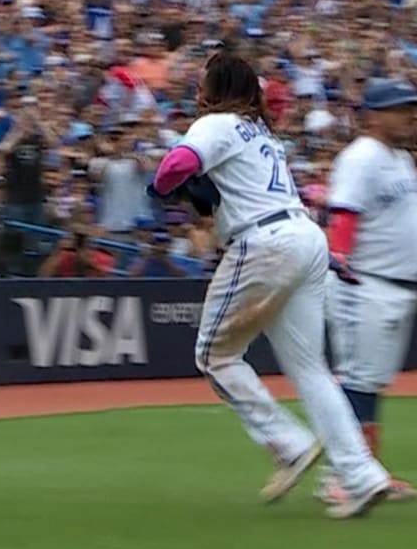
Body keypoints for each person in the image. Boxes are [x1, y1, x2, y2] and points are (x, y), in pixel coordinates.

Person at [148, 51, 391, 520]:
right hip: (303, 238)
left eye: (203, 83)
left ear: (217, 89)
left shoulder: (216, 123)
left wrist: (160, 187)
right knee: (312, 369)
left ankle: (288, 443)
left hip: (263, 243)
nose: (198, 91)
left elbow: (177, 164)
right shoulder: (262, 133)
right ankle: (363, 476)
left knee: (213, 355)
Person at [316, 79, 417, 506]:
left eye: (413, 109)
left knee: (371, 382)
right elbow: (344, 213)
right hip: (362, 283)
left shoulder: (401, 158)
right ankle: (340, 477)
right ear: (374, 116)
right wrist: (341, 259)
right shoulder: (361, 156)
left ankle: (368, 472)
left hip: (394, 285)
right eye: (402, 110)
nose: (412, 117)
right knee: (356, 381)